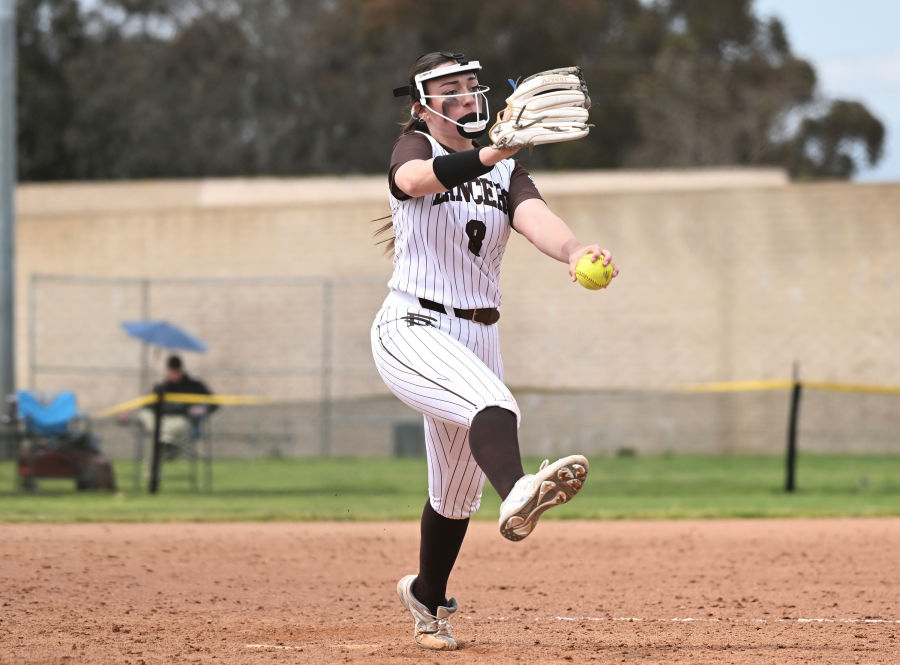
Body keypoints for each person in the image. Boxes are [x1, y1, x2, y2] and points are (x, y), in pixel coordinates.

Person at [371, 51, 618, 651]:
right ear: (422, 103)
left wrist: (576, 251)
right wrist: (490, 153)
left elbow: (539, 220)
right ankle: (519, 491)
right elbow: (412, 183)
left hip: (479, 333)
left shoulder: (507, 174)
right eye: (448, 88)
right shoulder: (416, 149)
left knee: (454, 497)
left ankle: (426, 597)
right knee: (493, 403)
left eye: (469, 86)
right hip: (413, 324)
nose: (463, 95)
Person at [136, 354, 217, 472]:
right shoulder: (161, 387)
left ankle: (165, 444)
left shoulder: (194, 386)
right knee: (145, 417)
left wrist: (199, 410)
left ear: (181, 370)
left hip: (183, 422)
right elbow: (147, 407)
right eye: (171, 371)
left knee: (156, 439)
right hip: (161, 422)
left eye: (176, 371)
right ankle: (166, 444)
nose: (173, 374)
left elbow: (214, 404)